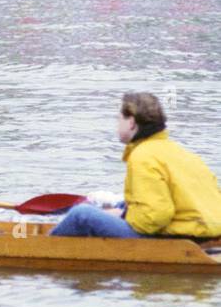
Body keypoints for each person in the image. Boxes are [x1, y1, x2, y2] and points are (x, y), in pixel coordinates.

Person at [49, 92, 221, 239]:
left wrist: (125, 216)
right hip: (208, 231)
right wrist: (122, 211)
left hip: (179, 237)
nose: (117, 125)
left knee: (81, 214)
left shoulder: (143, 156)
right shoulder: (180, 152)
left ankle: (44, 250)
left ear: (131, 122)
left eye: (119, 119)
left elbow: (156, 216)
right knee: (118, 205)